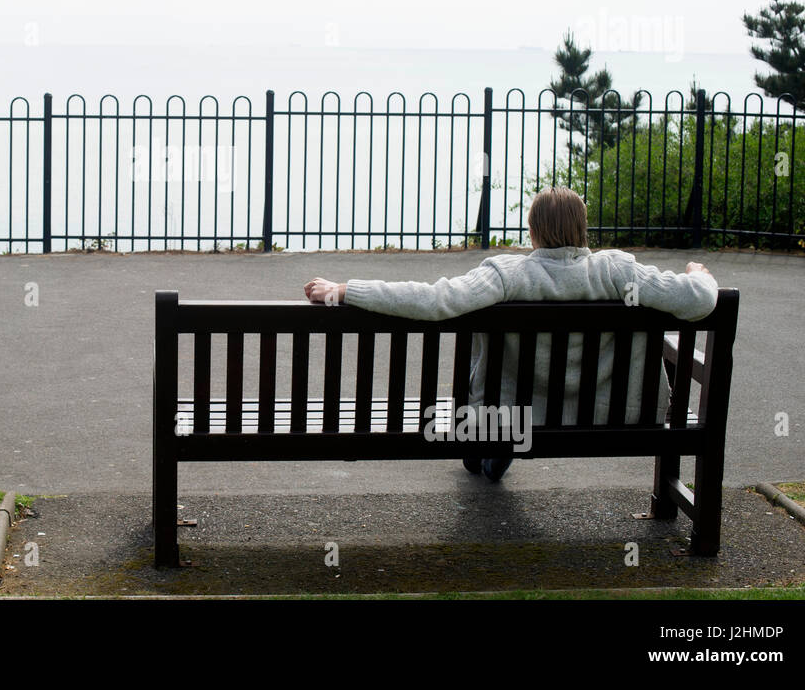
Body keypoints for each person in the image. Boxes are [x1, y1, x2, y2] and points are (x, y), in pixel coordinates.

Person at [303, 186, 718, 481]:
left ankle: (495, 445)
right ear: (583, 230)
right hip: (617, 416)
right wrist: (697, 273)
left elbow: (433, 301)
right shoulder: (619, 271)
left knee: (493, 371)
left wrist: (345, 290)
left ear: (533, 233)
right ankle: (494, 449)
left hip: (509, 419)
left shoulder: (508, 274)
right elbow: (700, 300)